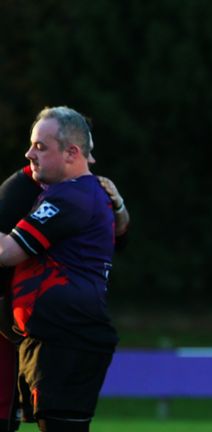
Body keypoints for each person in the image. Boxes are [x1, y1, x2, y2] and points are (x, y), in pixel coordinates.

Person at [0, 106, 119, 432]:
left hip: (68, 340)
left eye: (40, 146)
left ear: (72, 153)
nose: (29, 154)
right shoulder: (71, 193)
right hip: (55, 337)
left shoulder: (71, 197)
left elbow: (6, 252)